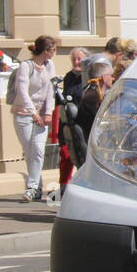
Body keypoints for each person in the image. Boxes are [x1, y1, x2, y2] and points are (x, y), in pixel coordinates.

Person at [12, 35, 58, 202]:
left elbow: (51, 90)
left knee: (38, 150)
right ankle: (36, 187)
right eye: (53, 49)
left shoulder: (49, 65)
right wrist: (33, 113)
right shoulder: (26, 66)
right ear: (46, 51)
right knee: (30, 152)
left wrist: (48, 113)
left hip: (41, 113)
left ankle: (31, 187)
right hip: (23, 113)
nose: (54, 52)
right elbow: (22, 91)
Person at [56, 48, 88, 196]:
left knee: (84, 156)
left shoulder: (90, 77)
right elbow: (63, 100)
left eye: (79, 59)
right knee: (66, 154)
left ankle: (83, 189)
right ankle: (63, 189)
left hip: (84, 122)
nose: (76, 62)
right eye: (74, 59)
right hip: (68, 122)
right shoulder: (69, 77)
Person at [74, 58, 115, 166]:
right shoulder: (92, 97)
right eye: (111, 75)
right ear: (103, 77)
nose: (113, 78)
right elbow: (98, 124)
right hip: (95, 150)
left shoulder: (91, 93)